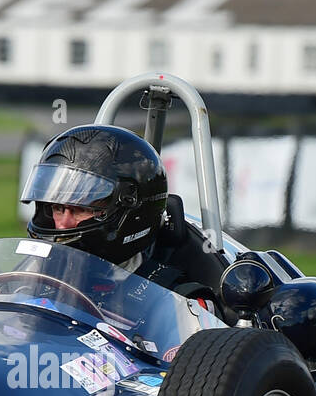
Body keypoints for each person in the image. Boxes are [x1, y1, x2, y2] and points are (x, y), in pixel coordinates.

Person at [20, 124, 230, 312]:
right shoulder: (32, 274)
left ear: (131, 214)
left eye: (79, 210)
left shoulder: (177, 302)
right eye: (57, 208)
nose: (62, 223)